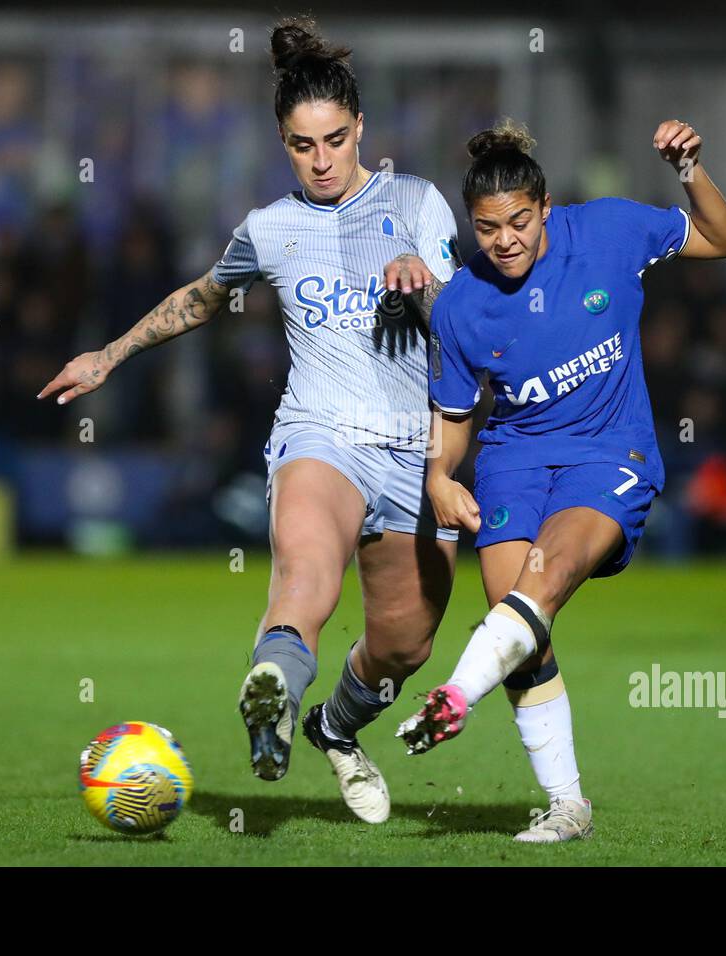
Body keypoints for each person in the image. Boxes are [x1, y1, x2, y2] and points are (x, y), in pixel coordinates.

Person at [39, 19, 461, 824]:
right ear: (282, 143)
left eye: (335, 140)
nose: (322, 160)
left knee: (404, 645)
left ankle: (334, 726)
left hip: (417, 450)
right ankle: (272, 691)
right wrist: (111, 354)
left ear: (360, 128)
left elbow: (464, 329)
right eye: (303, 146)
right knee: (307, 576)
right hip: (319, 436)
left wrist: (424, 285)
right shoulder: (269, 228)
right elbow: (202, 297)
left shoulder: (415, 203)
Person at [398, 118, 726, 842]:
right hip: (513, 460)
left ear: (546, 206)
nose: (505, 241)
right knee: (520, 626)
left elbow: (723, 238)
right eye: (487, 228)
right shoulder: (460, 304)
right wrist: (439, 475)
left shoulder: (611, 230)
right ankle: (567, 806)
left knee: (542, 579)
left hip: (610, 452)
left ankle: (454, 696)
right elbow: (454, 413)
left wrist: (688, 168)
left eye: (519, 221)